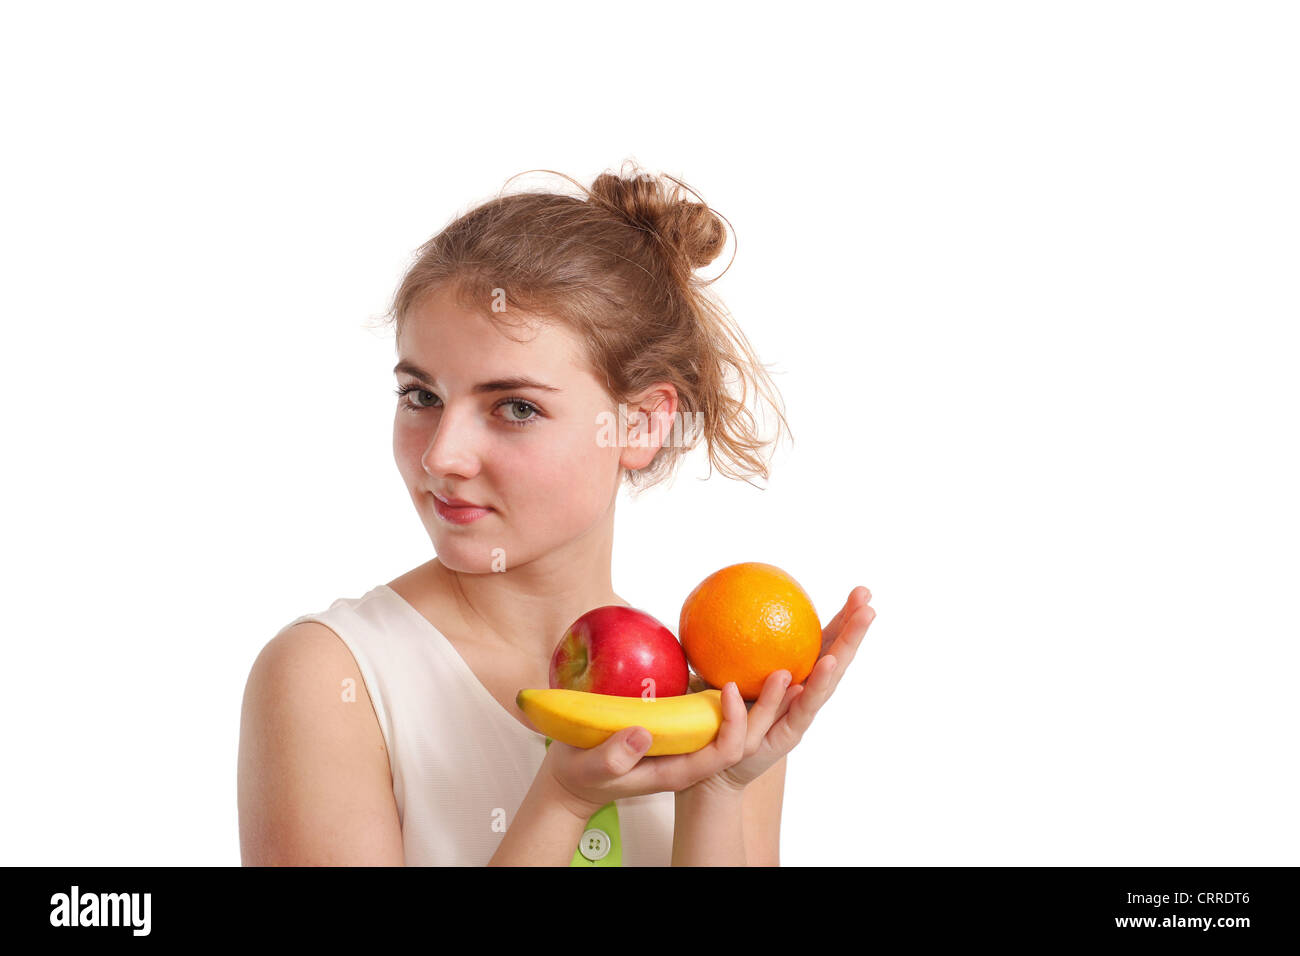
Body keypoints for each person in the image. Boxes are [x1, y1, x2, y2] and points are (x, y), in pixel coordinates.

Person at [237, 161, 877, 866]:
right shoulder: (331, 677)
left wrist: (721, 789)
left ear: (638, 425)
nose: (443, 456)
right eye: (422, 396)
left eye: (515, 407)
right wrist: (560, 801)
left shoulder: (713, 697)